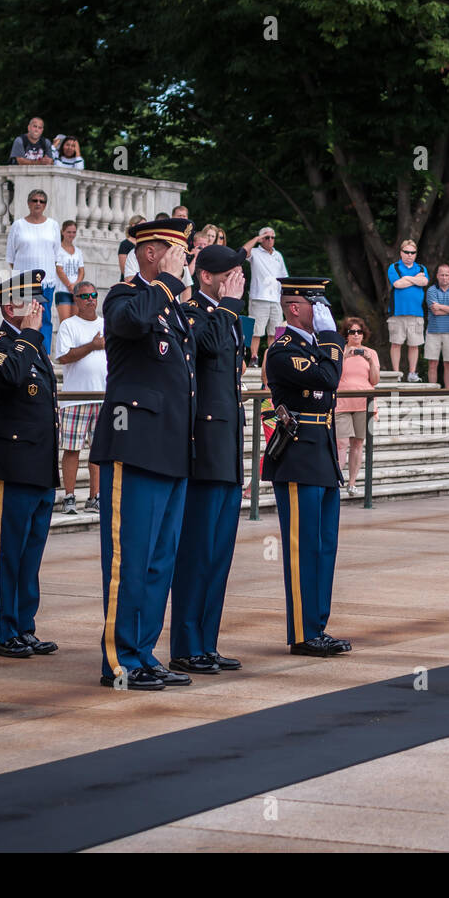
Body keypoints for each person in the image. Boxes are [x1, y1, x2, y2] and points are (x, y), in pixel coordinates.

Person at [91, 217, 196, 691]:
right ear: (150, 253)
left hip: (171, 449)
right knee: (128, 559)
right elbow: (129, 324)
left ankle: (144, 652)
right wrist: (169, 283)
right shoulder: (125, 295)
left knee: (158, 561)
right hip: (134, 445)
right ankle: (119, 659)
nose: (185, 261)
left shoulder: (173, 308)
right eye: (177, 253)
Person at [169, 244, 251, 675]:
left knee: (218, 554)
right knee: (197, 551)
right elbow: (207, 348)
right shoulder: (195, 313)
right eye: (230, 274)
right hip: (204, 448)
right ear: (206, 277)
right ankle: (186, 643)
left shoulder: (226, 315)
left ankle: (207, 640)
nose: (237, 280)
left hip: (226, 449)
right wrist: (231, 308)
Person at [264, 277, 351, 657]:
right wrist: (332, 339)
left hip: (323, 454)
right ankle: (302, 632)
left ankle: (317, 625)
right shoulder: (284, 350)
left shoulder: (315, 347)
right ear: (295, 307)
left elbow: (328, 383)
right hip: (299, 456)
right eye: (317, 304)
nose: (324, 312)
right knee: (303, 549)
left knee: (324, 546)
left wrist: (327, 342)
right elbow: (329, 377)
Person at [0, 270, 62, 659]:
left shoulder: (34, 345)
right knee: (7, 553)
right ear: (11, 305)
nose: (41, 307)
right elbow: (10, 375)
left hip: (40, 466)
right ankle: (3, 630)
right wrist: (28, 335)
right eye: (34, 301)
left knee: (30, 555)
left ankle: (24, 626)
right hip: (12, 466)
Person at [55, 281, 105, 514]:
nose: (90, 299)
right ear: (76, 299)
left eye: (93, 295)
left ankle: (95, 497)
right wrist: (93, 346)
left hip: (103, 396)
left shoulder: (107, 325)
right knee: (72, 450)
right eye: (85, 296)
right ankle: (69, 496)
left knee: (99, 451)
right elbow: (63, 357)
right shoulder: (69, 325)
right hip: (76, 397)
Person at [5, 190, 61, 354]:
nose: (38, 203)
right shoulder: (18, 225)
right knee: (21, 317)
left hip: (46, 282)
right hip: (23, 282)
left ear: (45, 205)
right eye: (35, 200)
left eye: (42, 201)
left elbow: (56, 254)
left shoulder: (53, 225)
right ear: (28, 203)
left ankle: (43, 355)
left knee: (44, 319)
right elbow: (11, 257)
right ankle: (21, 353)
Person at [335, 315, 380, 495]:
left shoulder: (371, 353)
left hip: (364, 402)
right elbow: (332, 376)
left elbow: (374, 381)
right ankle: (336, 479)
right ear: (345, 334)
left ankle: (352, 482)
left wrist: (369, 360)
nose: (355, 335)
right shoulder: (339, 351)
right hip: (342, 402)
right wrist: (344, 357)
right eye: (351, 332)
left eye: (358, 332)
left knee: (358, 444)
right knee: (341, 443)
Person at [241, 226, 288, 365]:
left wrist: (284, 297)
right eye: (267, 237)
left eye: (272, 237)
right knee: (256, 330)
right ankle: (254, 357)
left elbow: (284, 276)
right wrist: (256, 239)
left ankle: (272, 357)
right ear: (261, 239)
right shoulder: (255, 252)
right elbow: (243, 252)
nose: (270, 240)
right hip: (259, 297)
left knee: (275, 331)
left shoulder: (278, 255)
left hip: (276, 297)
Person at [384, 239, 427, 381]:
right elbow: (397, 284)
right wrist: (414, 279)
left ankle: (412, 373)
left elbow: (424, 282)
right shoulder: (394, 267)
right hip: (397, 313)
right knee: (396, 343)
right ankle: (396, 374)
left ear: (416, 254)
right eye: (406, 252)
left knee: (414, 345)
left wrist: (407, 279)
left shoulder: (421, 268)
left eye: (412, 252)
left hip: (416, 313)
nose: (409, 255)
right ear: (401, 252)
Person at [423, 263, 449, 387]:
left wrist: (440, 306)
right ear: (437, 276)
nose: (444, 277)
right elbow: (435, 311)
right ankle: (432, 393)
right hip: (433, 331)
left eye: (447, 275)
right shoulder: (431, 290)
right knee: (432, 363)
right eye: (442, 275)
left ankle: (448, 391)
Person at [53, 220, 85, 321]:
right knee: (65, 323)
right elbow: (59, 270)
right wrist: (69, 285)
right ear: (63, 232)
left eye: (74, 232)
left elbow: (81, 270)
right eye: (69, 232)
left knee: (75, 322)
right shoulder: (58, 249)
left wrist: (76, 285)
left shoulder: (78, 251)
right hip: (62, 290)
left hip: (76, 292)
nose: (71, 235)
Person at [118, 215, 144, 279]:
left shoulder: (143, 243)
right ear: (133, 226)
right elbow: (123, 269)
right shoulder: (125, 244)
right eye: (142, 225)